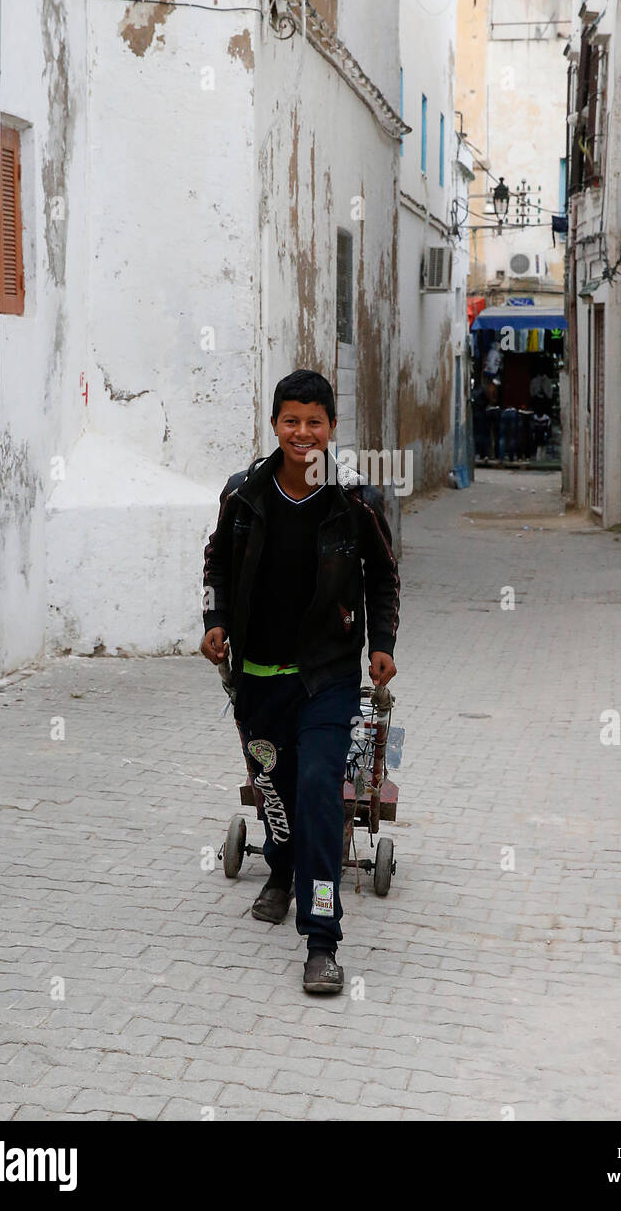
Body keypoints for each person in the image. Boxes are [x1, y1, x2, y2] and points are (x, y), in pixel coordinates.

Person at [200, 370, 400, 994]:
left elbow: (382, 579)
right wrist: (215, 621)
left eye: (315, 422)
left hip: (327, 676)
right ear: (274, 425)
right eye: (292, 421)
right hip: (257, 678)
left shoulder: (353, 499)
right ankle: (281, 870)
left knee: (316, 791)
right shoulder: (245, 494)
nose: (303, 434)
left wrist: (383, 645)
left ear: (333, 429)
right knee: (276, 792)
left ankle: (321, 939)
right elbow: (217, 565)